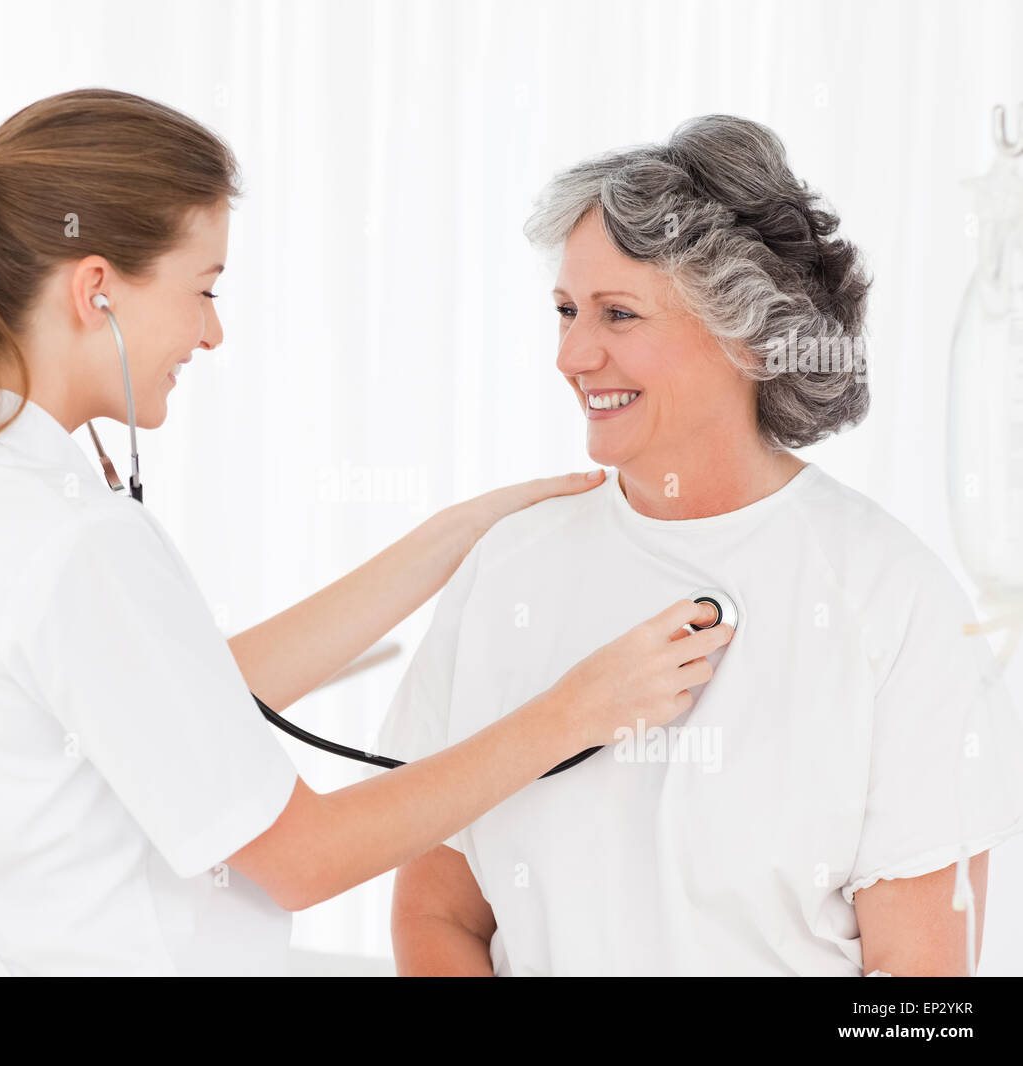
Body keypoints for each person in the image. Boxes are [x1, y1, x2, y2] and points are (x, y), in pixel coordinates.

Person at [0, 88, 732, 976]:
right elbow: (303, 859)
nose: (212, 333)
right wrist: (583, 710)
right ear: (97, 292)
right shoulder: (71, 539)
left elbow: (178, 695)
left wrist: (450, 538)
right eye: (203, 290)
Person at [382, 114, 1023, 977]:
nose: (572, 354)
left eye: (617, 313)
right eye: (566, 310)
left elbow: (918, 994)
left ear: (747, 331)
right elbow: (437, 915)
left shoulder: (890, 597)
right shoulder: (510, 566)